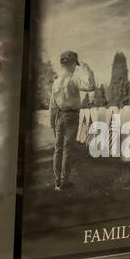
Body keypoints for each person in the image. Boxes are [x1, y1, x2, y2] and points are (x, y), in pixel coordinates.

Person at [48, 50, 95, 191]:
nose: (75, 67)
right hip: (71, 116)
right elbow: (91, 86)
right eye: (75, 64)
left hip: (58, 115)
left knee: (58, 149)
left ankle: (57, 182)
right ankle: (64, 181)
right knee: (67, 150)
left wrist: (52, 121)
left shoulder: (55, 81)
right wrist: (89, 72)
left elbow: (52, 104)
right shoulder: (73, 79)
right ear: (71, 64)